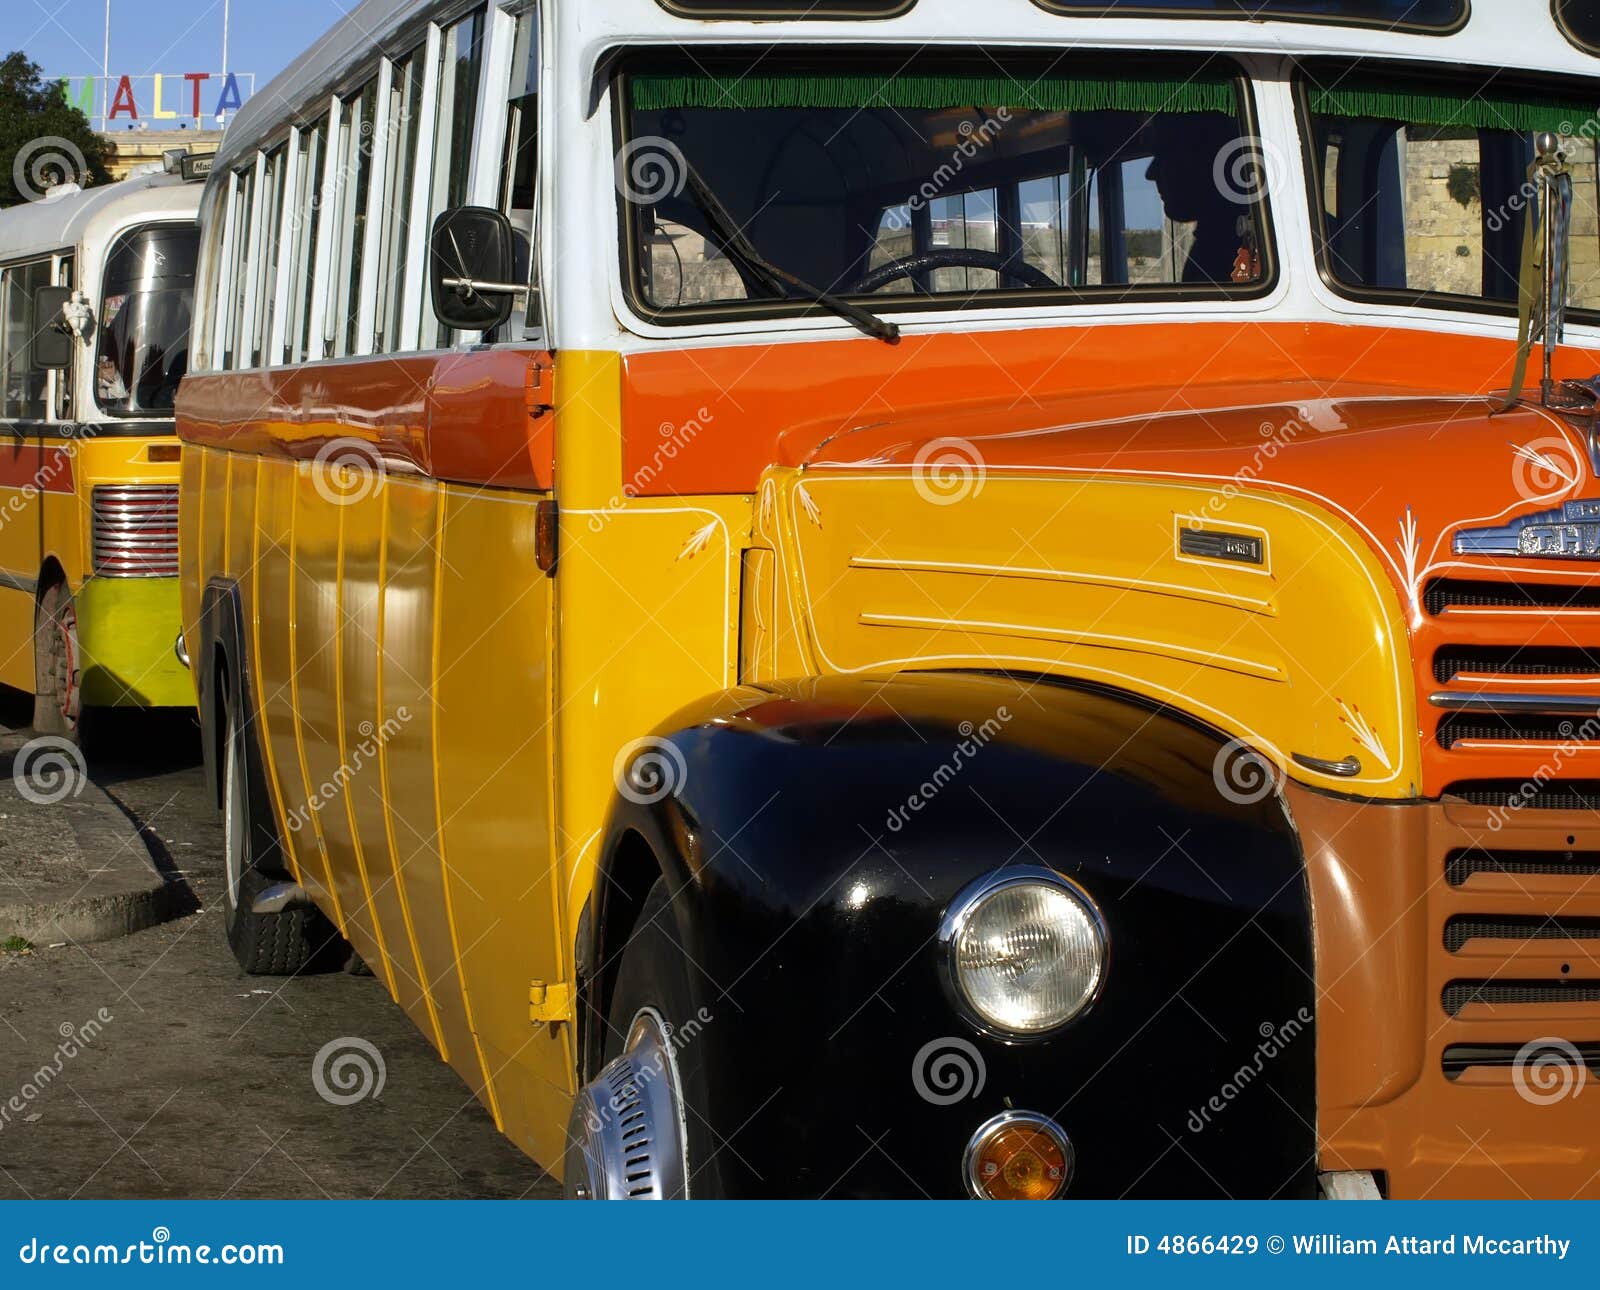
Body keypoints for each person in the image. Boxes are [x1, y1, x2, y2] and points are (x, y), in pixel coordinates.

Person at [1143, 113, 1261, 285]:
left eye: (1167, 154)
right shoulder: (1219, 248)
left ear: (1208, 160)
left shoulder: (1240, 257)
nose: (1150, 173)